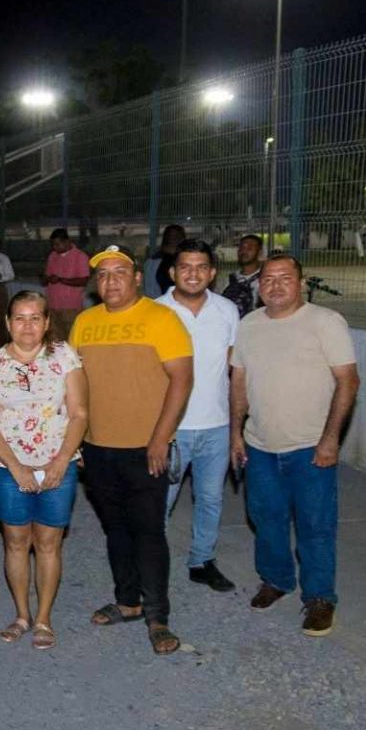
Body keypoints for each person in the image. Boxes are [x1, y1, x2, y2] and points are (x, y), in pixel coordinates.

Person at [70, 246, 194, 656]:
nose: (110, 281)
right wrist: (78, 439)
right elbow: (75, 387)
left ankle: (158, 617)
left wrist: (161, 438)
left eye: (118, 272)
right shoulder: (85, 323)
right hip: (98, 449)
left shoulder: (162, 319)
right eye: (102, 274)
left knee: (148, 532)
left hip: (146, 448)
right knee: (116, 530)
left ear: (137, 277)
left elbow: (181, 381)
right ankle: (128, 602)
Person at [231, 255, 360, 636]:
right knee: (266, 518)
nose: (275, 285)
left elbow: (349, 382)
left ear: (301, 283)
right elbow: (239, 382)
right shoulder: (249, 326)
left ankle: (320, 598)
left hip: (310, 448)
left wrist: (331, 439)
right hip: (260, 447)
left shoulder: (325, 322)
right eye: (268, 279)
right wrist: (236, 432)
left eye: (285, 278)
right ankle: (276, 580)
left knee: (315, 526)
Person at [0, 290, 88, 649]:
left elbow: (80, 414)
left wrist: (60, 460)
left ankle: (44, 619)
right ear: (8, 323)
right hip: (9, 470)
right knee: (17, 541)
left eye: (35, 317)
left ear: (47, 322)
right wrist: (16, 467)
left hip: (59, 465)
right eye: (19, 318)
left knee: (49, 543)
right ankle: (22, 614)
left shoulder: (65, 357)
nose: (27, 325)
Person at [155, 243, 241, 594]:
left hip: (217, 426)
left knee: (210, 499)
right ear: (173, 272)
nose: (193, 273)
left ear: (212, 272)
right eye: (185, 266)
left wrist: (237, 426)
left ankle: (202, 560)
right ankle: (152, 564)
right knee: (160, 501)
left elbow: (236, 369)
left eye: (201, 266)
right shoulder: (155, 312)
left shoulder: (227, 310)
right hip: (171, 429)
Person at [42, 227, 91, 338]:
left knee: (72, 339)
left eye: (58, 244)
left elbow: (83, 280)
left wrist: (61, 280)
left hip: (71, 307)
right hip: (53, 305)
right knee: (55, 341)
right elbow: (47, 277)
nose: (55, 247)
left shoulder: (80, 256)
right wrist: (47, 278)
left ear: (68, 241)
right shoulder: (52, 255)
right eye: (53, 245)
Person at [221, 235, 264, 317]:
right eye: (241, 248)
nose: (244, 251)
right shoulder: (228, 280)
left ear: (260, 252)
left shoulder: (265, 279)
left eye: (249, 248)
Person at [145, 224, 184, 297]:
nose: (173, 238)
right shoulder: (153, 261)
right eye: (170, 235)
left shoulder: (189, 259)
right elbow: (150, 289)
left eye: (176, 236)